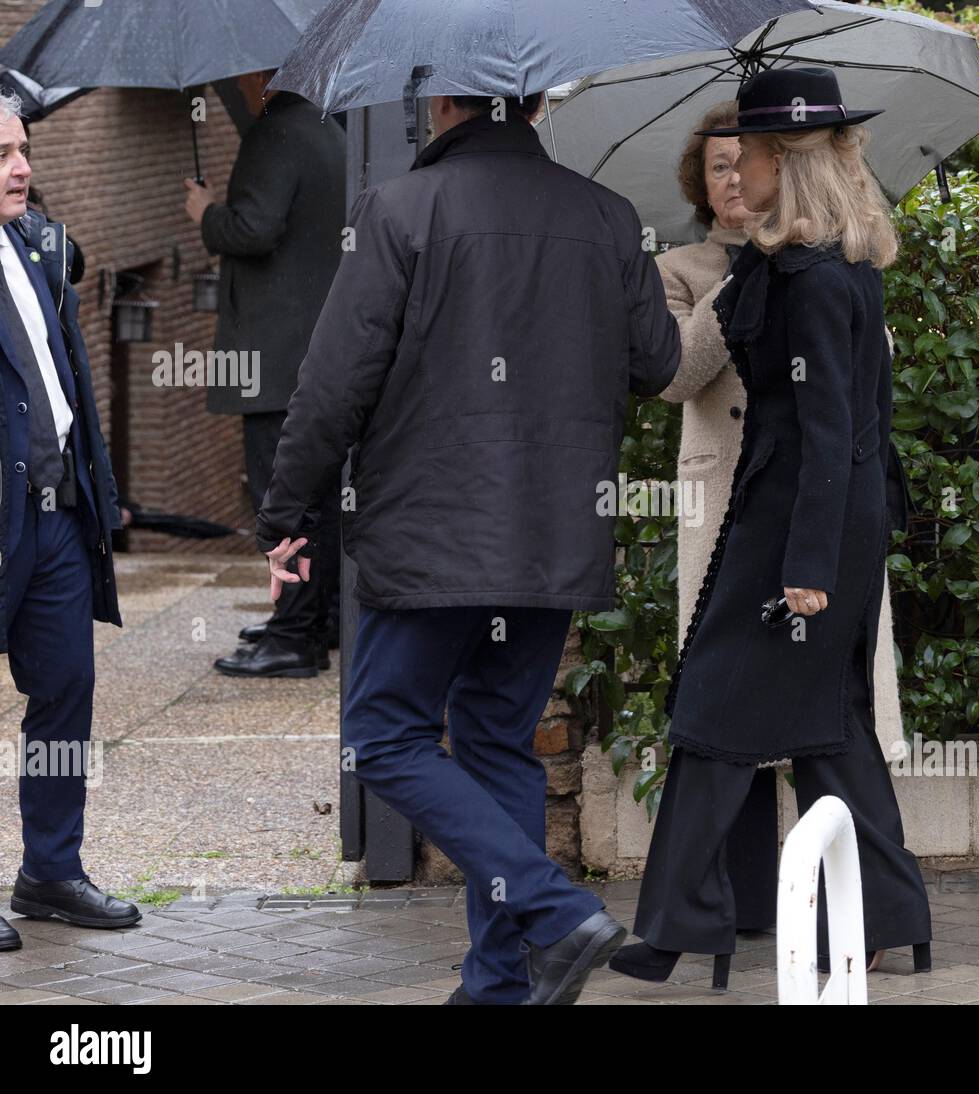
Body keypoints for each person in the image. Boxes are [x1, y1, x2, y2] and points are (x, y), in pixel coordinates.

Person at [253, 93, 680, 1004]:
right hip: (552, 535)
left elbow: (333, 385)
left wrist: (287, 509)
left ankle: (550, 909)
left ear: (442, 101)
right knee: (495, 742)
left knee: (383, 736)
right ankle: (500, 987)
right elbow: (656, 363)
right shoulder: (607, 217)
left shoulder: (400, 210)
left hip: (431, 532)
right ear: (530, 100)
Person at [611, 67, 932, 988]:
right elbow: (694, 365)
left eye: (744, 154)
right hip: (788, 527)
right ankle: (891, 914)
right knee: (829, 732)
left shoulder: (825, 282)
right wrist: (753, 249)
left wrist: (808, 564)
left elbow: (839, 432)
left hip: (800, 537)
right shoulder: (789, 268)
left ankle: (678, 932)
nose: (730, 170)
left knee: (713, 709)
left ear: (780, 163)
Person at [0, 91, 140, 951]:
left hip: (53, 516)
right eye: (0, 154)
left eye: (20, 149)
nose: (20, 167)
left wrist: (101, 487)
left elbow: (67, 382)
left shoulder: (33, 245)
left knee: (65, 691)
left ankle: (50, 869)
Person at [183, 68, 346, 679]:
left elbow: (254, 228)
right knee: (318, 499)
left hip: (274, 362)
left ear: (262, 73)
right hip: (311, 354)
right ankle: (317, 618)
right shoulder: (324, 124)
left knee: (284, 500)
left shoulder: (275, 131)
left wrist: (206, 212)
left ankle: (294, 637)